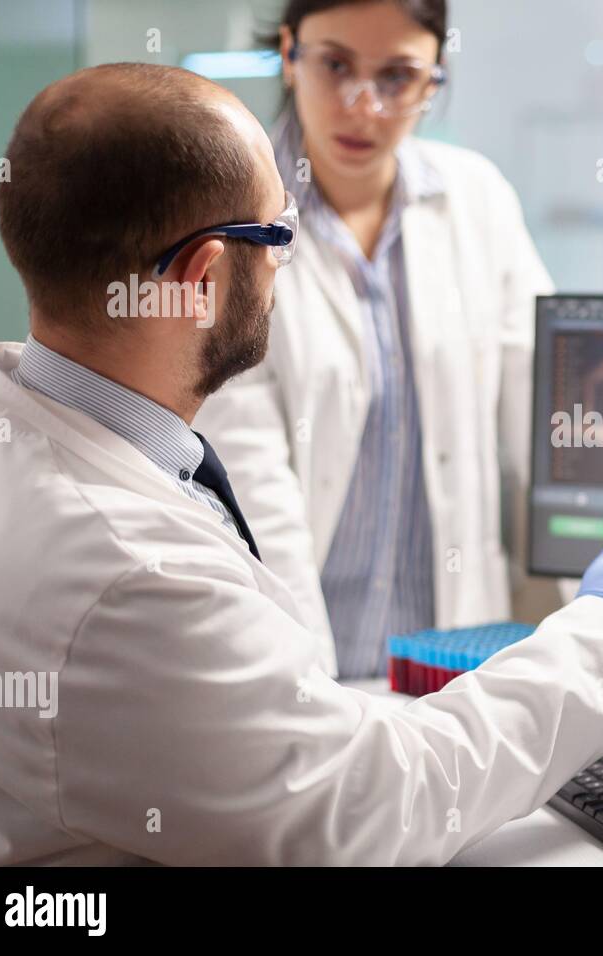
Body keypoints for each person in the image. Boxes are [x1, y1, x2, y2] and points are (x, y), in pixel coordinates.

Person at [0, 62, 603, 866]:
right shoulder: (136, 571)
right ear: (200, 279)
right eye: (277, 236)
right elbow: (376, 803)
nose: (286, 263)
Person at [195, 0, 553, 679]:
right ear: (289, 52)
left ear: (434, 80)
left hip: (451, 660)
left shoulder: (477, 200)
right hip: (300, 659)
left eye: (397, 77)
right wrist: (310, 694)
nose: (364, 105)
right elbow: (251, 486)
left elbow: (542, 414)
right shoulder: (228, 218)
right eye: (336, 66)